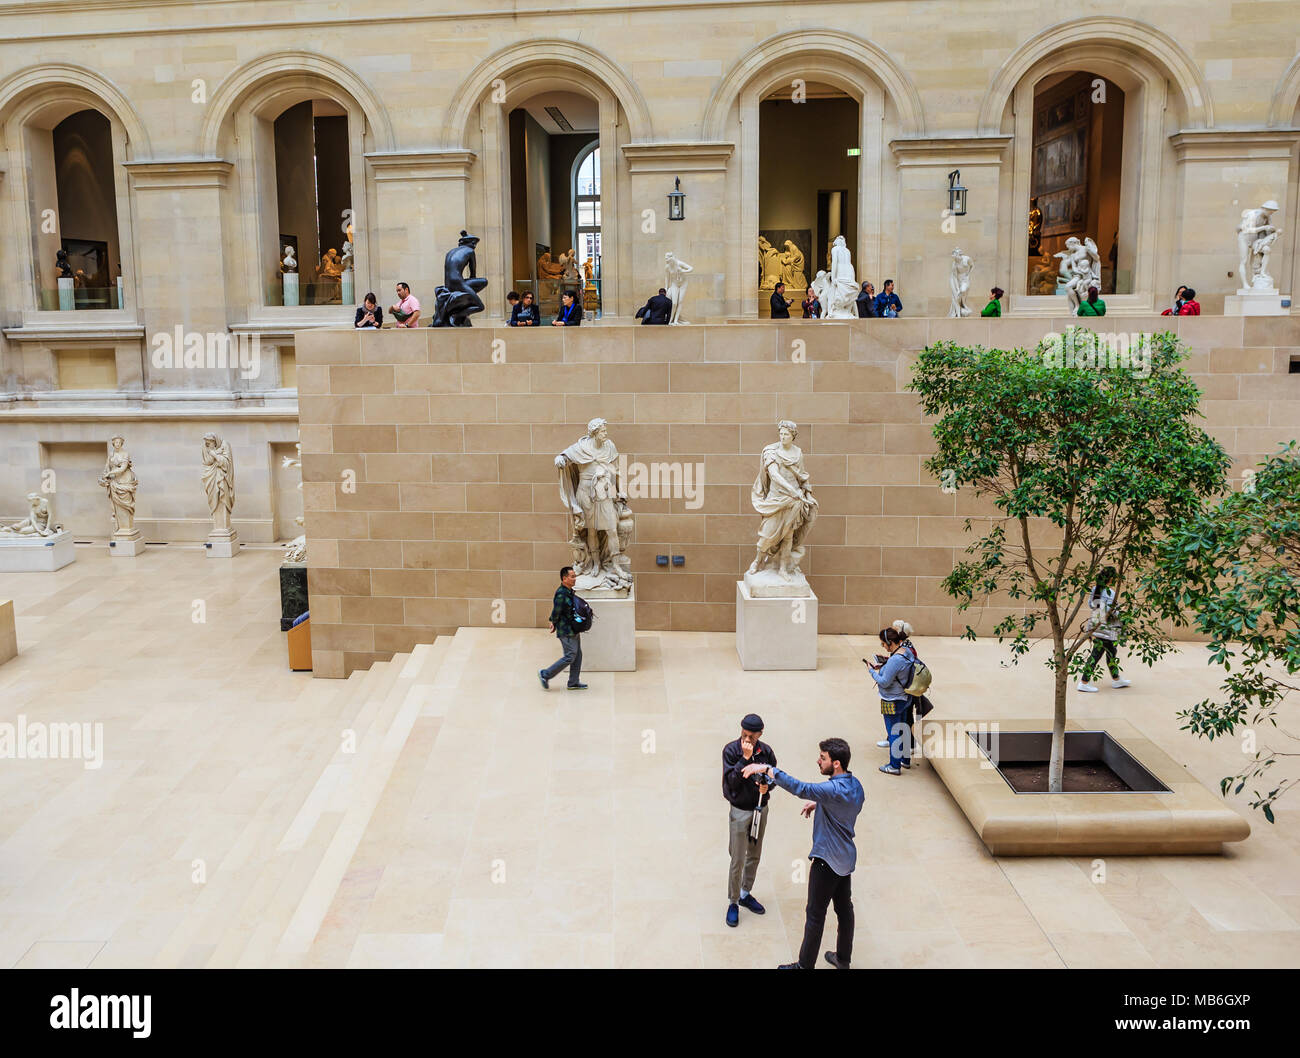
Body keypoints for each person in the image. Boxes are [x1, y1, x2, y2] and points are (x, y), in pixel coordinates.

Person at [743, 737, 864, 970]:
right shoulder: (855, 784)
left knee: (815, 915)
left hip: (826, 861)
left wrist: (768, 769)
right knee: (844, 910)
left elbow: (802, 788)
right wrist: (821, 805)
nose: (818, 761)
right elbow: (851, 803)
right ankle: (843, 959)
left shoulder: (830, 788)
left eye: (823, 758)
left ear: (836, 763)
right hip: (846, 858)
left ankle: (804, 966)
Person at [721, 714, 777, 928]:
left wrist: (768, 786)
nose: (747, 739)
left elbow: (773, 775)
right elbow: (731, 784)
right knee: (737, 857)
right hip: (739, 811)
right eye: (744, 734)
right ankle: (733, 901)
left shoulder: (767, 752)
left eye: (751, 736)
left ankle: (746, 892)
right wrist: (745, 758)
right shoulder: (731, 751)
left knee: (754, 853)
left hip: (760, 809)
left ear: (760, 734)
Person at [867, 625, 918, 774]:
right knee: (904, 728)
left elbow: (883, 682)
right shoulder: (906, 652)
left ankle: (894, 766)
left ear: (890, 642)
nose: (883, 647)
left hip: (892, 700)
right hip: (905, 697)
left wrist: (871, 671)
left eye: (884, 643)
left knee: (894, 732)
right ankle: (905, 760)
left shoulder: (895, 659)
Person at [1077, 567, 1130, 693]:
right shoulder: (1109, 592)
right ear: (1110, 578)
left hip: (1097, 625)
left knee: (1111, 652)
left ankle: (1116, 679)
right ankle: (1084, 682)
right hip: (1105, 628)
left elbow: (1093, 605)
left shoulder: (1095, 589)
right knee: (1099, 654)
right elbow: (1110, 611)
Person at [539, 566, 588, 690]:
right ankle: (545, 674)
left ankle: (573, 682)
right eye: (572, 576)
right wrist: (553, 621)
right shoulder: (561, 593)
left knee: (578, 655)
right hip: (566, 630)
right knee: (570, 655)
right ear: (564, 578)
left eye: (574, 576)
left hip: (574, 628)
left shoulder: (569, 591)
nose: (574, 579)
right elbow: (557, 610)